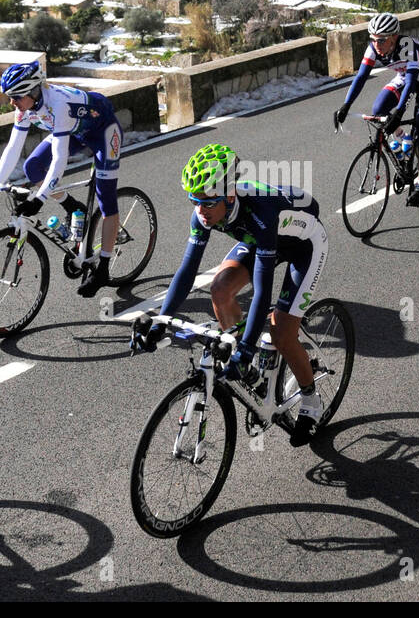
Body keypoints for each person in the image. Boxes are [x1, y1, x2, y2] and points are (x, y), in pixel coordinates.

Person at [131, 144, 329, 447]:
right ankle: (249, 367)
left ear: (230, 196)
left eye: (208, 203)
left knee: (281, 335)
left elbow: (262, 290)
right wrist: (160, 321)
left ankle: (311, 401)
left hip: (304, 245)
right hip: (260, 239)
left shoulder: (262, 213)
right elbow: (187, 273)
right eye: (194, 201)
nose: (200, 210)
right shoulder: (205, 213)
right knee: (220, 289)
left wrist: (247, 348)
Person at [0, 61, 123, 298]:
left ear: (33, 91)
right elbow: (13, 147)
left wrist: (40, 199)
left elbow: (59, 160)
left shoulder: (58, 105)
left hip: (102, 131)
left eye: (16, 97)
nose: (12, 103)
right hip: (74, 131)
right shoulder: (24, 108)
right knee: (33, 167)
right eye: (10, 97)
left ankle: (103, 268)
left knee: (106, 200)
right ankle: (73, 206)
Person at [333, 12, 419, 207]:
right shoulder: (374, 49)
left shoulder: (407, 47)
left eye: (381, 40)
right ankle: (404, 137)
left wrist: (399, 113)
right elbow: (360, 78)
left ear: (393, 37)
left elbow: (410, 83)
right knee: (378, 109)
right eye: (373, 39)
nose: (377, 44)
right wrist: (346, 105)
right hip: (404, 75)